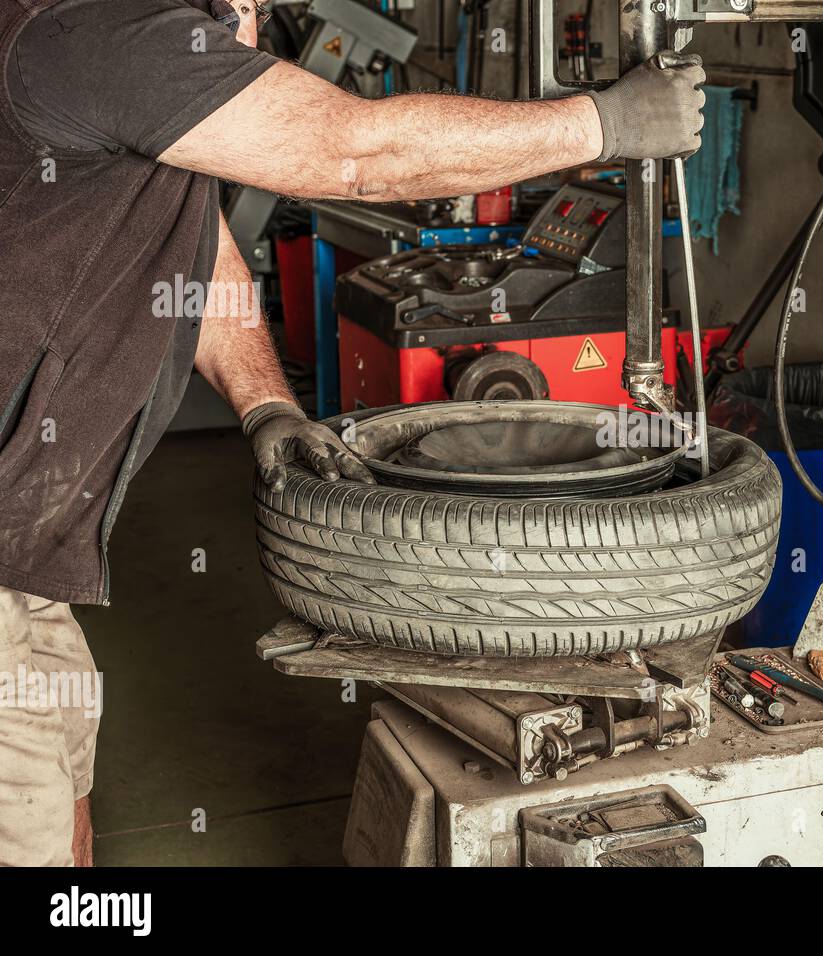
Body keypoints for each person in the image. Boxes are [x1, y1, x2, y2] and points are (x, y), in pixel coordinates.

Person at [0, 0, 705, 866]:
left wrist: (267, 403)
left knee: (61, 787)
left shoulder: (138, 54)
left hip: (29, 556)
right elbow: (358, 153)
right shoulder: (87, 29)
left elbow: (194, 244)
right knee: (21, 829)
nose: (248, 23)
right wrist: (608, 122)